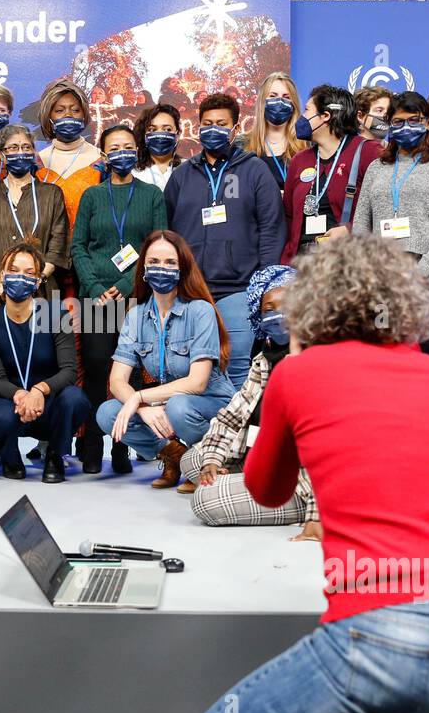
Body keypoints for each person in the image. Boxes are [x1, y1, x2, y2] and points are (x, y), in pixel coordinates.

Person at [168, 236, 429, 713]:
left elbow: (266, 490)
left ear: (312, 306)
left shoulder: (295, 372)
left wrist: (295, 369)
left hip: (392, 636)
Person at [96, 231, 235, 492]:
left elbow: (197, 382)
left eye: (170, 263)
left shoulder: (200, 311)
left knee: (179, 407)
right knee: (108, 413)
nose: (162, 269)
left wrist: (139, 398)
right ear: (144, 268)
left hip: (213, 402)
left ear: (183, 267)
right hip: (170, 401)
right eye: (155, 262)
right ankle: (176, 457)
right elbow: (116, 381)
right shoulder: (136, 315)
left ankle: (211, 459)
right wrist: (142, 409)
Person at [179, 265, 319, 525]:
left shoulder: (318, 362)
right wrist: (213, 459)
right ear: (258, 316)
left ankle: (294, 504)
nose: (279, 314)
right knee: (192, 460)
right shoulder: (265, 359)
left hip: (303, 480)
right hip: (261, 452)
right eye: (269, 309)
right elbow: (233, 415)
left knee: (205, 500)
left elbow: (325, 449)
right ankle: (237, 475)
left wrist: (317, 514)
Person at [163, 93, 284, 389]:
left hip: (239, 290)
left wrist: (262, 284)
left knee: (238, 367)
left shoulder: (255, 170)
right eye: (206, 123)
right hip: (192, 291)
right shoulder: (182, 175)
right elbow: (166, 233)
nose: (213, 129)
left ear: (234, 127)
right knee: (190, 369)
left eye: (221, 123)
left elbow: (271, 228)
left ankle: (234, 435)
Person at [71, 124, 168, 474]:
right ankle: (92, 445)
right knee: (97, 368)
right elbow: (78, 247)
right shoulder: (92, 197)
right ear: (104, 153)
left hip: (136, 299)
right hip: (96, 300)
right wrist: (97, 289)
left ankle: (123, 447)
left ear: (136, 150)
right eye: (115, 147)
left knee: (132, 374)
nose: (122, 153)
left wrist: (128, 286)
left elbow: (158, 244)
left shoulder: (152, 195)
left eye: (128, 146)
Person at [353, 91, 429, 364]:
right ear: (389, 124)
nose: (406, 128)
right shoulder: (376, 167)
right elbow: (360, 224)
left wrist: (423, 268)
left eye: (414, 120)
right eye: (399, 121)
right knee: (384, 360)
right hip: (385, 280)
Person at [0, 243, 91, 484]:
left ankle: (54, 456)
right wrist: (20, 394)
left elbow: (69, 371)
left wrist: (39, 390)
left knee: (75, 399)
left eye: (29, 273)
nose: (20, 277)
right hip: (12, 403)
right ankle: (10, 457)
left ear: (39, 280)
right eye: (14, 270)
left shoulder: (56, 315)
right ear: (2, 275)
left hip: (48, 404)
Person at [0, 124, 70, 317]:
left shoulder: (51, 194)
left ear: (33, 152)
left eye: (26, 147)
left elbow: (58, 247)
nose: (20, 152)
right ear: (1, 154)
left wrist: (34, 282)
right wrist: (1, 288)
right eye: (13, 148)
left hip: (40, 293)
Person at [280, 84, 381, 262]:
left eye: (307, 110)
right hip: (301, 265)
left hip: (349, 262)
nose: (301, 117)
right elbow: (288, 218)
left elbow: (385, 211)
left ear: (325, 116)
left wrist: (351, 230)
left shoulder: (369, 153)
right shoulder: (299, 160)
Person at [35, 77, 102, 230]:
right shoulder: (37, 162)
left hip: (89, 250)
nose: (68, 115)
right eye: (59, 110)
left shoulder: (100, 160)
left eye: (75, 110)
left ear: (84, 114)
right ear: (48, 116)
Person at [240, 72, 308, 194]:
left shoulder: (308, 144)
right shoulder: (242, 145)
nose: (279, 101)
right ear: (262, 101)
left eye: (286, 97)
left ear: (294, 104)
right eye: (273, 96)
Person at [131, 103, 183, 192]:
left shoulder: (188, 168)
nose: (160, 134)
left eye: (167, 129)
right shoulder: (132, 171)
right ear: (144, 135)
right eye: (152, 129)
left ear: (177, 134)